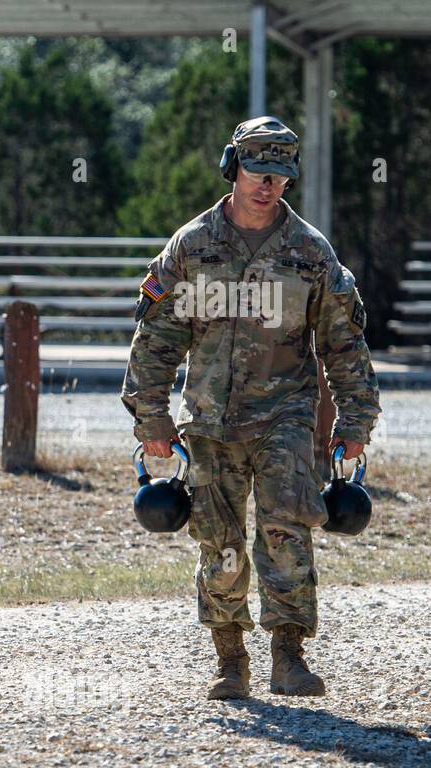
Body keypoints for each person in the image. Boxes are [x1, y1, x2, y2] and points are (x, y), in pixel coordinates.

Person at [121, 116, 380, 700]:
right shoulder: (193, 246)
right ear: (232, 168)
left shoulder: (310, 252)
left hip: (286, 415)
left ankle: (289, 655)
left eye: (280, 176)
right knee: (220, 539)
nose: (268, 185)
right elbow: (158, 337)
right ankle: (229, 658)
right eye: (258, 172)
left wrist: (355, 421)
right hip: (210, 420)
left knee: (287, 527)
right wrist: (153, 421)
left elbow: (343, 343)